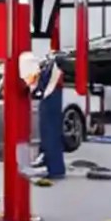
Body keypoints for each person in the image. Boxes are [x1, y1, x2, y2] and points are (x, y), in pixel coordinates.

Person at [30, 52, 67, 180]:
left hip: (51, 101)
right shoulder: (51, 69)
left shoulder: (55, 71)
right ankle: (52, 165)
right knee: (48, 134)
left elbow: (44, 85)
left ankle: (55, 169)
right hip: (48, 101)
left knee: (51, 135)